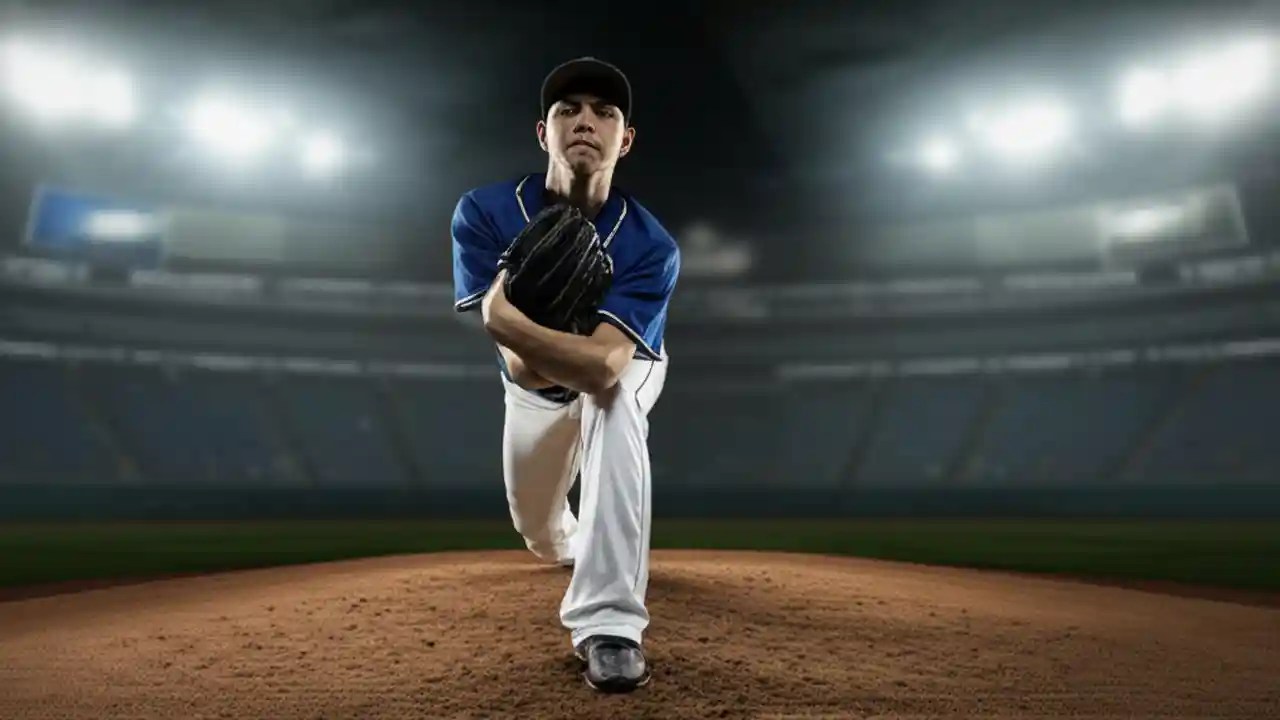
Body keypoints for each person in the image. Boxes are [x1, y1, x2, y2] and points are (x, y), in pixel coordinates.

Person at [449, 57, 680, 693]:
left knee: (613, 400)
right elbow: (523, 365)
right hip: (530, 388)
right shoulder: (487, 211)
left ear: (624, 139)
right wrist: (515, 336)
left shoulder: (650, 244)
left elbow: (606, 363)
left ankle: (610, 625)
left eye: (605, 111)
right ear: (542, 131)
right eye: (568, 109)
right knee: (539, 531)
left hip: (632, 364)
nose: (586, 121)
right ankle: (578, 543)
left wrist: (505, 315)